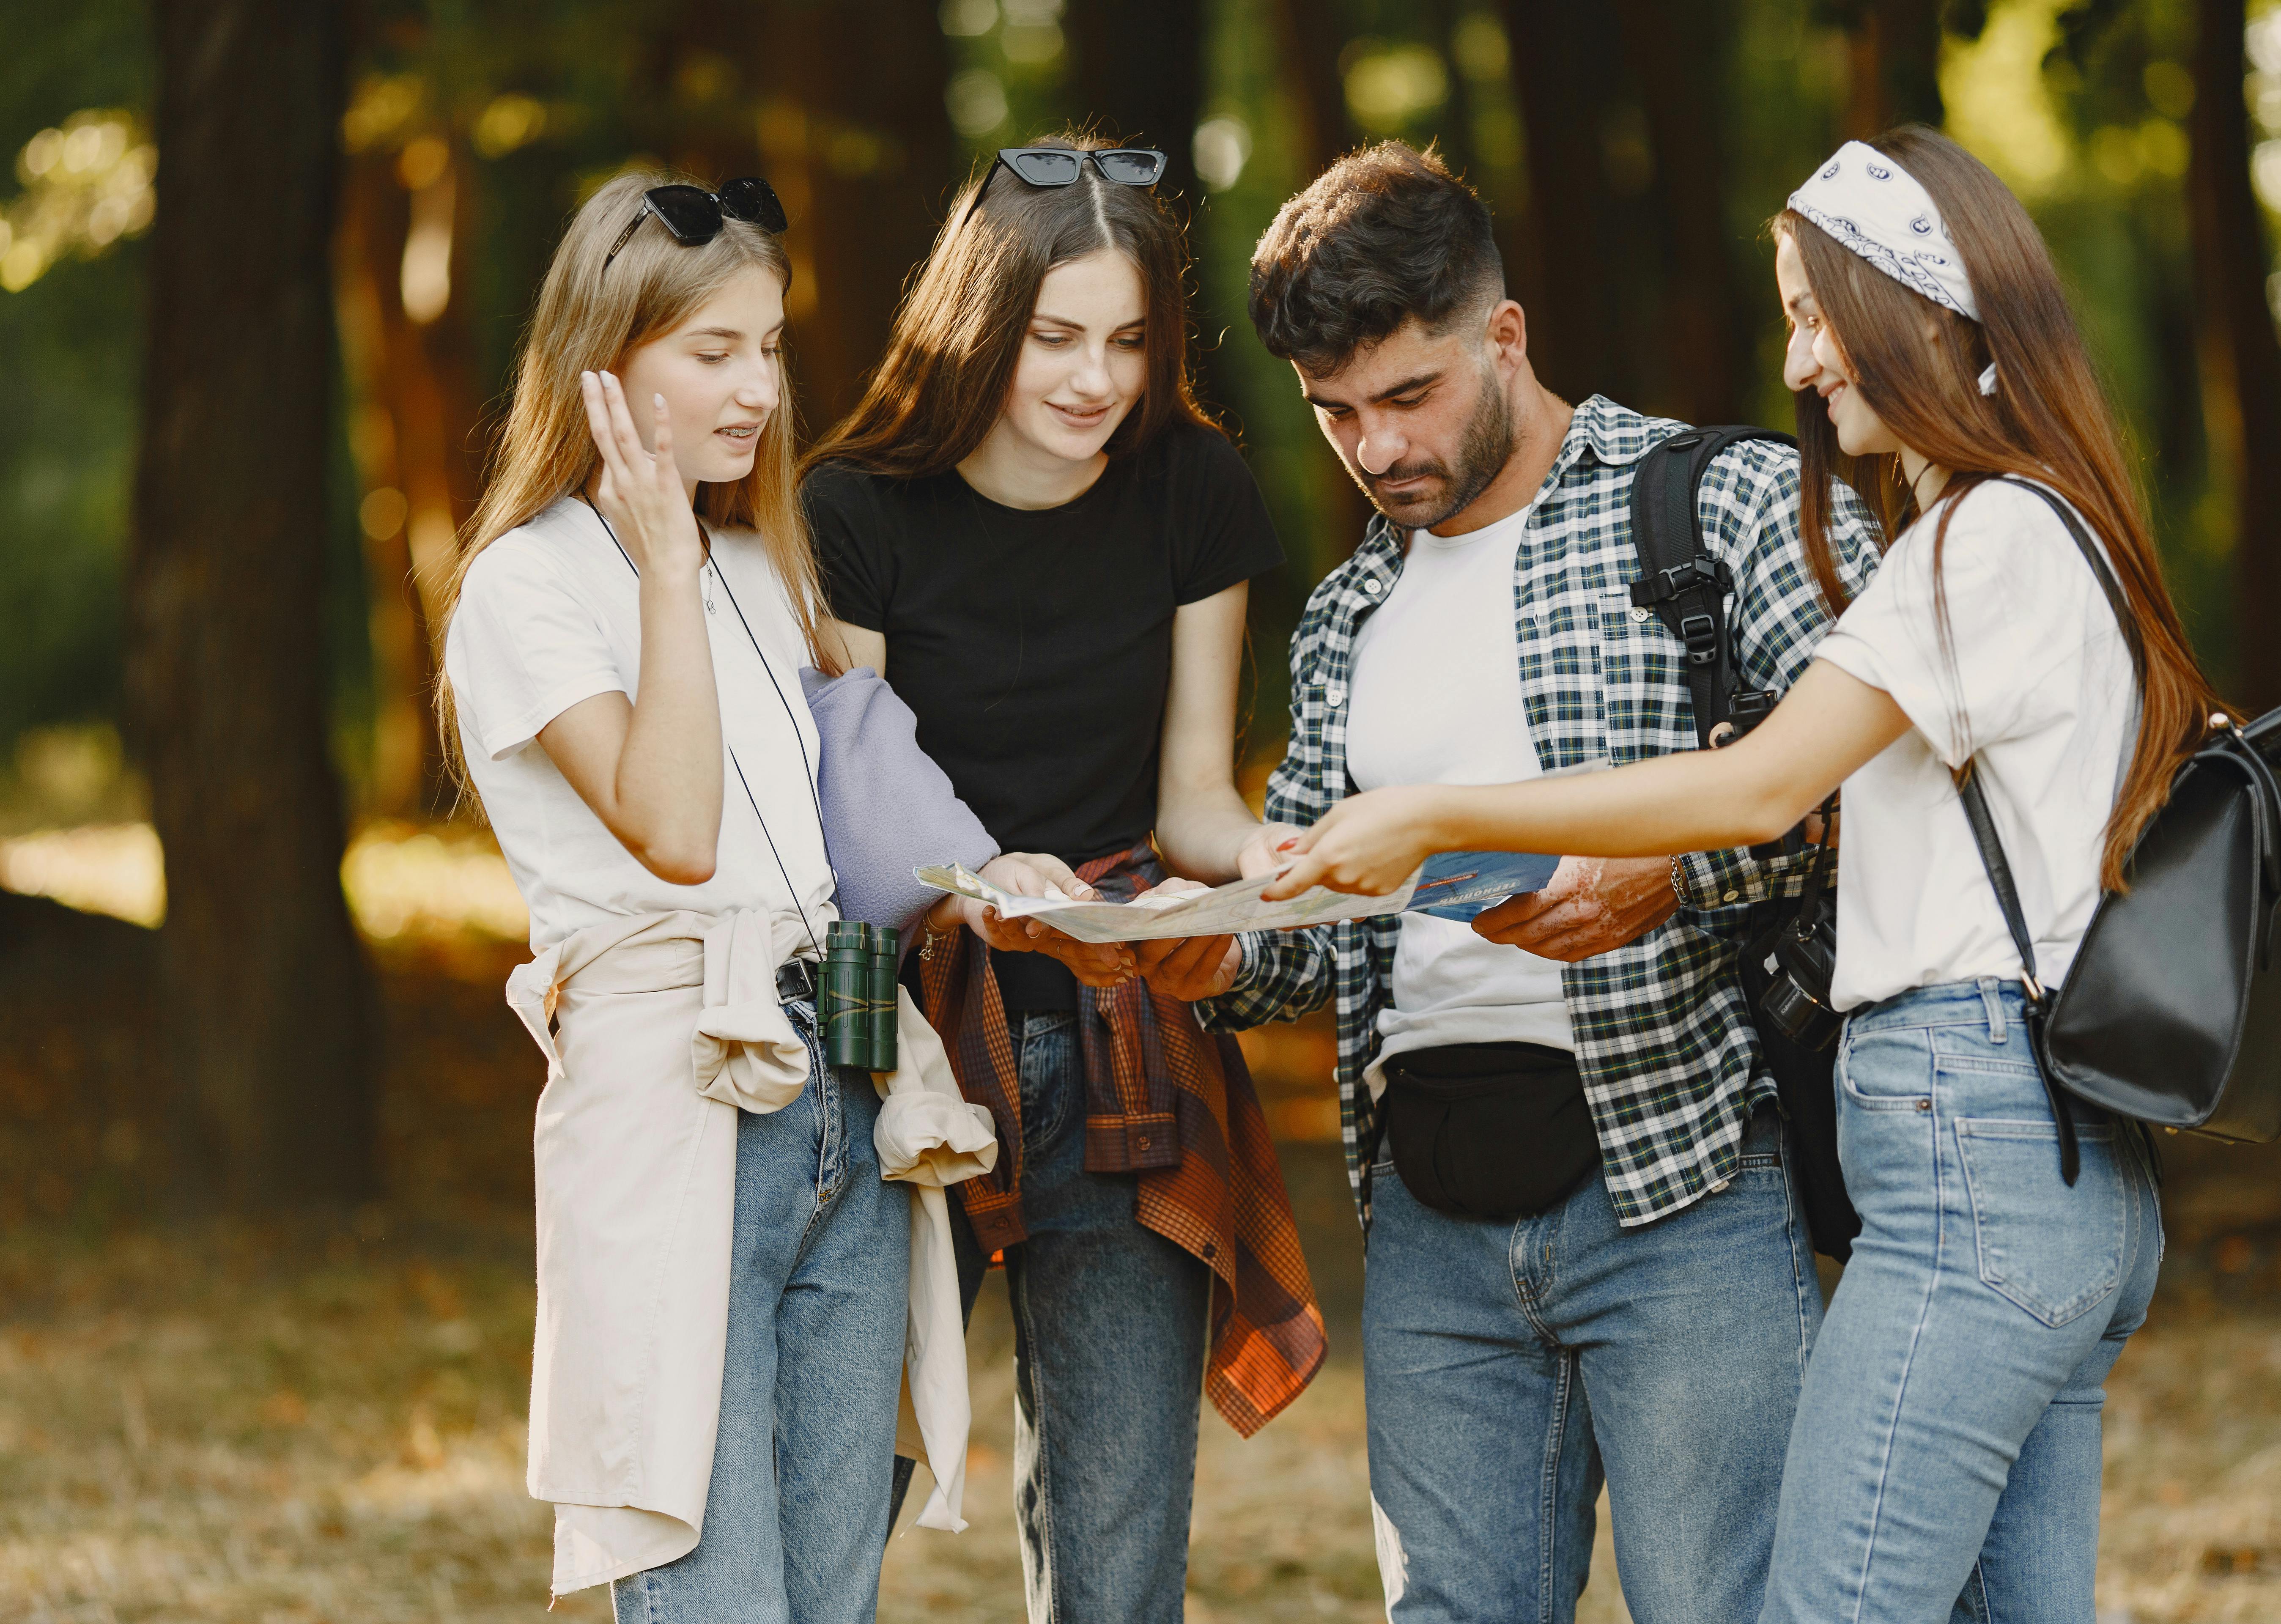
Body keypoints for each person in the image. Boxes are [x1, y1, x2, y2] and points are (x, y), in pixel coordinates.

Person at [1265, 127, 2201, 1622]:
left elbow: (1767, 787)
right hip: (2029, 1146)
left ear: (1924, 313)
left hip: (1956, 1137)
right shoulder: (2011, 529)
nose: (1802, 363)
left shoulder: (1978, 541)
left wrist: (1439, 812)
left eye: (1819, 316)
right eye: (1792, 320)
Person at [1138, 142, 1875, 1624]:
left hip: (1682, 1183)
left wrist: (1674, 876)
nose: (1377, 448)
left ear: (1507, 334)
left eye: (1410, 395)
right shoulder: (1346, 614)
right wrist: (1204, 951)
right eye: (1336, 414)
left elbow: (1908, 776)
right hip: (1428, 1210)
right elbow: (1316, 933)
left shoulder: (1720, 507)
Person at [432, 170, 1075, 1622]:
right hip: (675, 1100)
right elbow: (669, 827)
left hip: (843, 1079)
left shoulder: (755, 562)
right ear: (605, 364)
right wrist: (663, 568)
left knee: (834, 1587)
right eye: (711, 353)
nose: (757, 389)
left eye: (770, 347)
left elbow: (852, 819)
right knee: (717, 1590)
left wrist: (983, 877)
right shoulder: (525, 589)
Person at [802, 132, 1326, 1623]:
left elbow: (1192, 806)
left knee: (1118, 1549)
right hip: (903, 1057)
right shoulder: (856, 509)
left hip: (1118, 1047)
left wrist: (1266, 860)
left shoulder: (1193, 489)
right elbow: (853, 812)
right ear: (979, 324)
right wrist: (973, 872)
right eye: (1056, 338)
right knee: (839, 1498)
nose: (1097, 379)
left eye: (1130, 341)